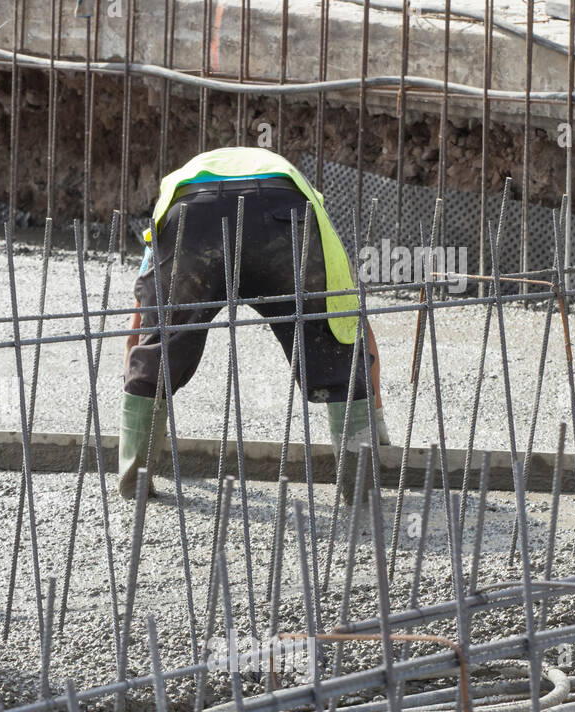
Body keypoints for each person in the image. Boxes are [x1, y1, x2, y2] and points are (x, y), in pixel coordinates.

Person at [118, 146, 389, 500]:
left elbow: (141, 315)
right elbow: (350, 318)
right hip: (283, 213)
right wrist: (374, 408)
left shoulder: (176, 189)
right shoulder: (305, 194)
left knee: (160, 348)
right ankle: (361, 487)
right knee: (335, 348)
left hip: (193, 216)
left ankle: (133, 481)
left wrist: (139, 368)